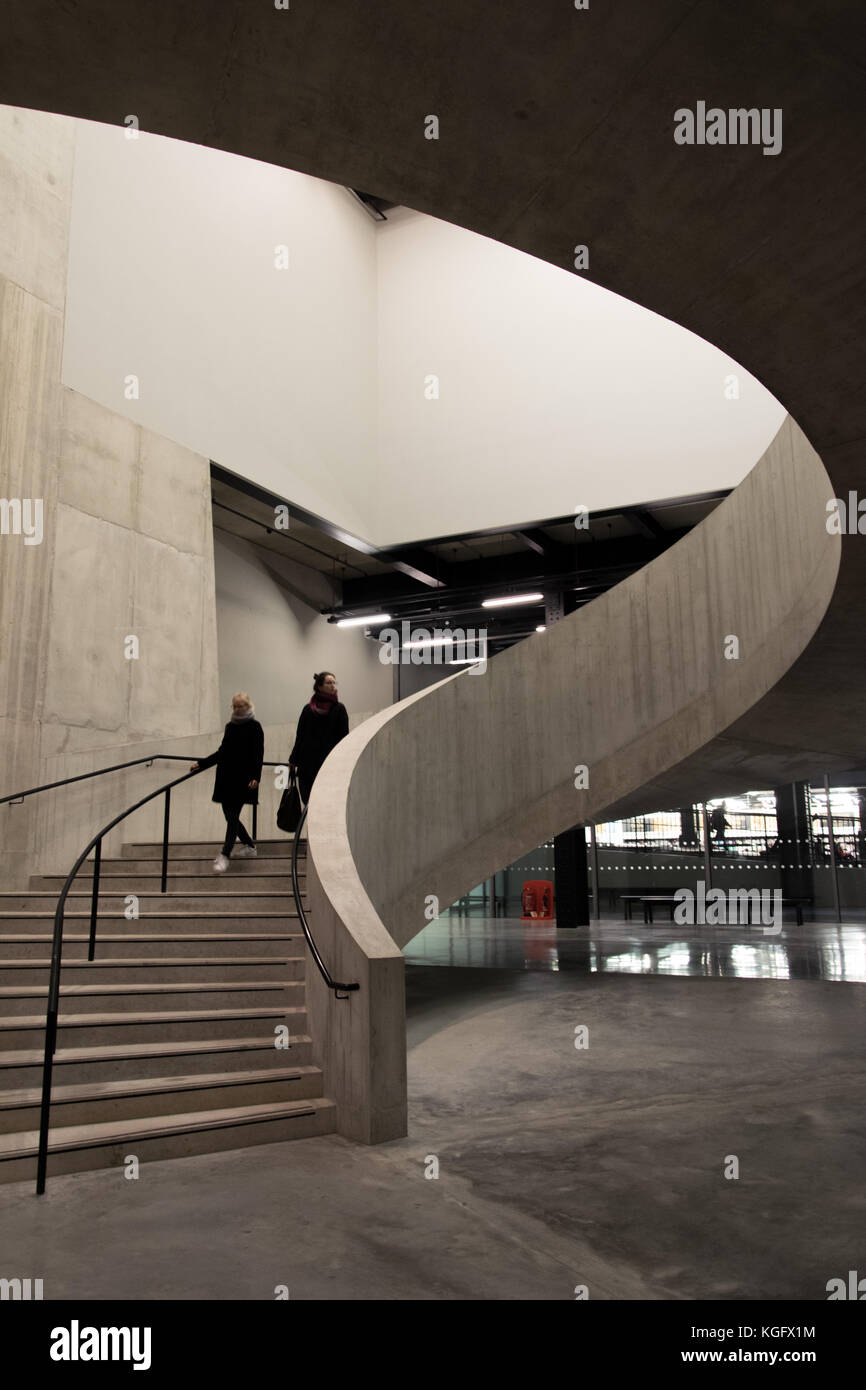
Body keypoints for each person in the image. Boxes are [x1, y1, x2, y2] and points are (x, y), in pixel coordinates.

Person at [191, 692, 264, 873]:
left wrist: (256, 776)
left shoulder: (255, 727)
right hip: (225, 777)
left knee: (232, 817)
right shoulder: (230, 727)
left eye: (241, 705)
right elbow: (222, 751)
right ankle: (249, 845)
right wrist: (202, 763)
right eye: (235, 706)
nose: (238, 709)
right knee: (230, 817)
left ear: (248, 706)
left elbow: (258, 753)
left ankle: (225, 854)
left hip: (244, 779)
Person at [289, 671, 349, 803]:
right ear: (319, 686)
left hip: (328, 765)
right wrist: (293, 759)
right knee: (308, 803)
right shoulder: (308, 709)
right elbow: (300, 736)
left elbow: (344, 739)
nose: (333, 685)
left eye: (334, 682)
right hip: (307, 765)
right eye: (329, 683)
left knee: (325, 804)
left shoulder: (339, 709)